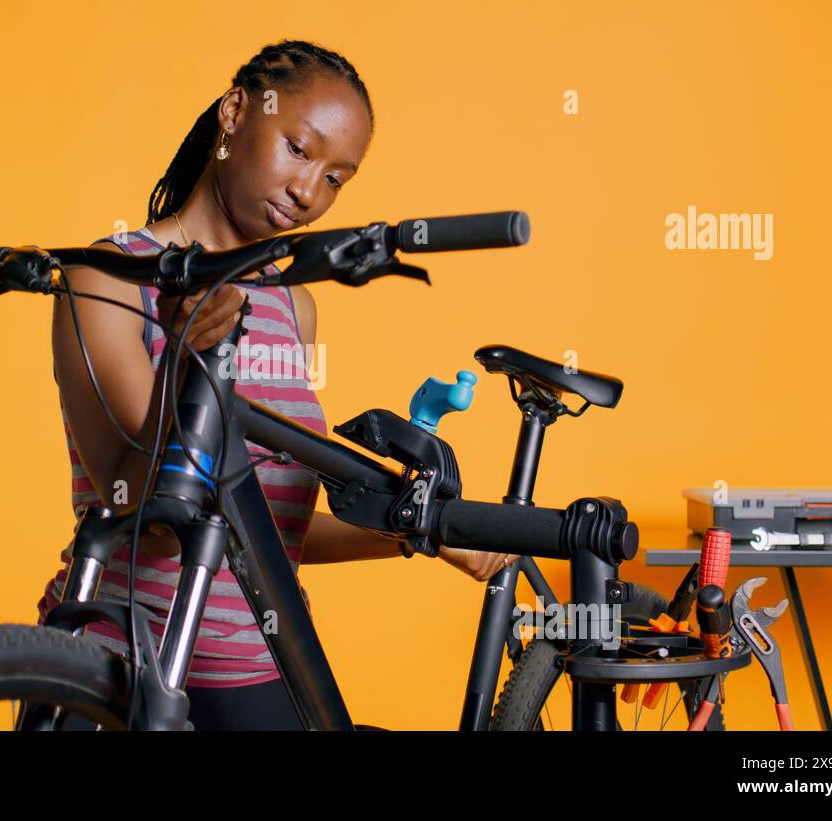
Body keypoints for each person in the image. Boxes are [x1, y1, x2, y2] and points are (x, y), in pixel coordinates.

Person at [39, 39, 512, 730]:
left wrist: (423, 533)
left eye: (336, 179)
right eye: (299, 148)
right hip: (116, 668)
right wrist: (186, 361)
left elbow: (270, 527)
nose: (308, 190)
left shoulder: (295, 306)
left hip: (261, 673)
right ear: (235, 111)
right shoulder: (110, 278)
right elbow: (147, 514)